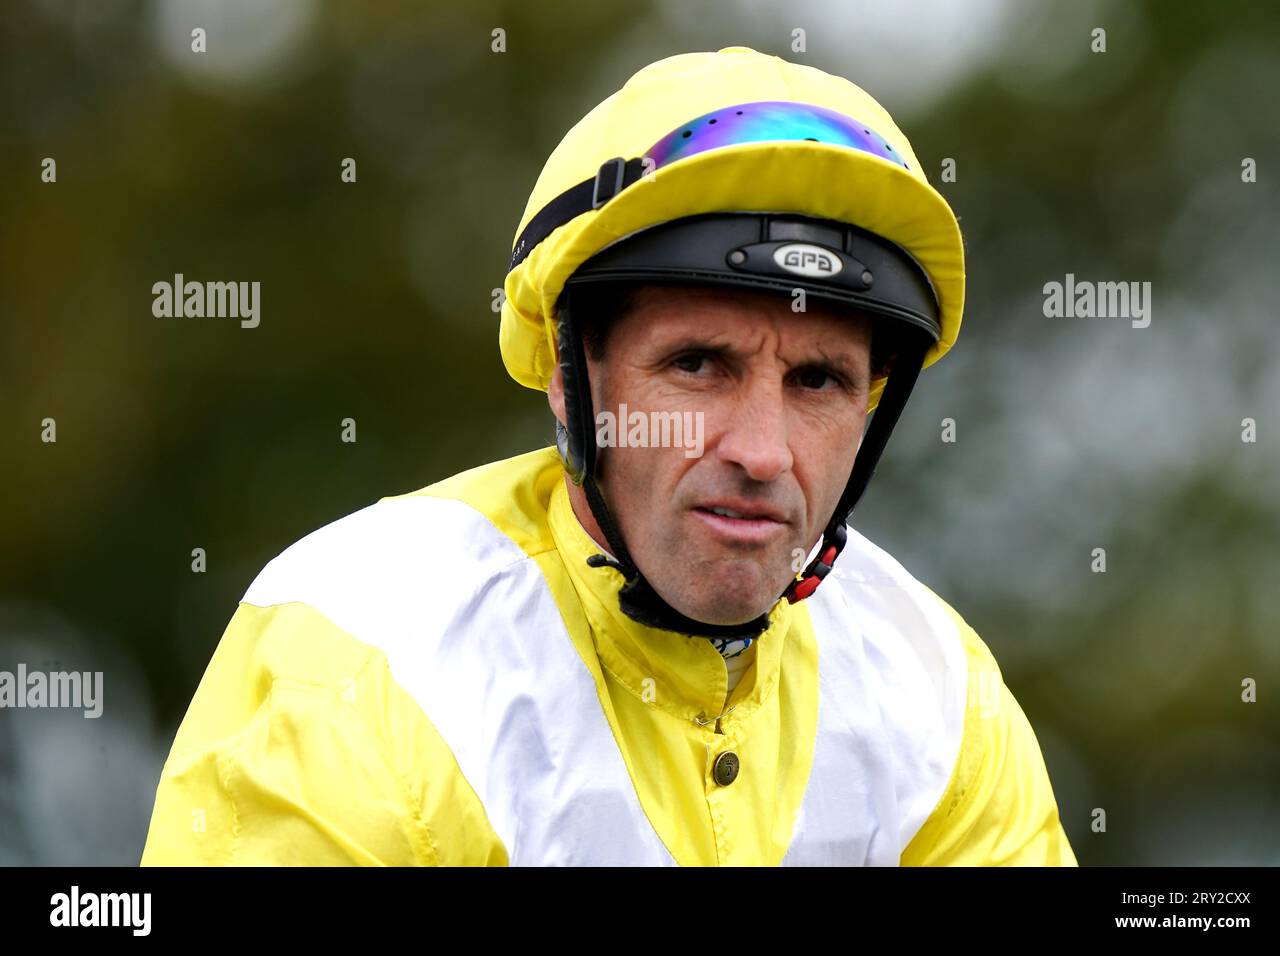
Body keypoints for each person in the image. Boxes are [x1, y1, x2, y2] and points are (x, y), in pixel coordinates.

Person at [140, 46, 1076, 866]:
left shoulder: (939, 688)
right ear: (568, 375)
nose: (761, 453)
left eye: (819, 381)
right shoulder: (369, 654)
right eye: (698, 364)